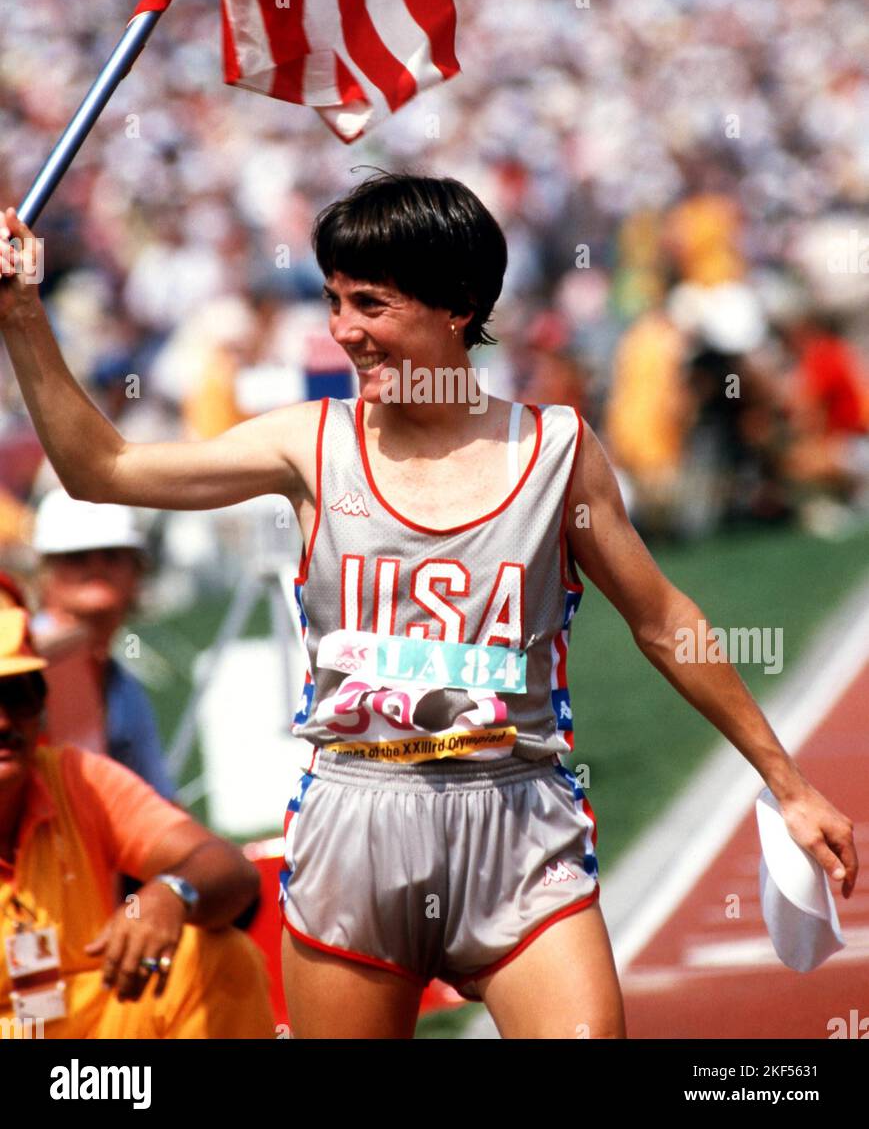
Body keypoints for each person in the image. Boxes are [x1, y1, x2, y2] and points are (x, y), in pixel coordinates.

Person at [0, 173, 858, 1040]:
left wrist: (787, 785)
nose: (342, 331)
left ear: (454, 307)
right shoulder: (308, 443)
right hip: (355, 826)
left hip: (519, 823)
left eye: (369, 303)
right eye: (334, 300)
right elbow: (102, 470)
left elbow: (663, 620)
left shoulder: (555, 448)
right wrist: (22, 314)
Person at [0, 575, 275, 1038]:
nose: (4, 720)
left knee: (215, 957)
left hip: (90, 1039)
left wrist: (171, 892)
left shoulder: (75, 777)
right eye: (77, 562)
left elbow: (232, 871)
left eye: (19, 693)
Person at [29, 488, 174, 797]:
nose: (96, 566)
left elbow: (158, 806)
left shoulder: (125, 688)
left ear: (137, 572)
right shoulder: (15, 657)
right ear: (45, 573)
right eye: (76, 557)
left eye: (112, 554)